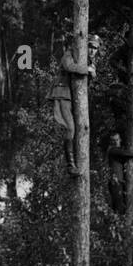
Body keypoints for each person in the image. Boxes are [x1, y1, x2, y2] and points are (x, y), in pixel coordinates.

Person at [49, 34, 100, 175]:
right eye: (90, 46)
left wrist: (92, 74)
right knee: (70, 128)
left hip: (75, 98)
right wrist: (87, 70)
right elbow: (68, 66)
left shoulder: (90, 63)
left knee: (83, 129)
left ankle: (82, 164)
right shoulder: (70, 53)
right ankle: (70, 166)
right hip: (62, 94)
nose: (92, 50)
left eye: (95, 48)